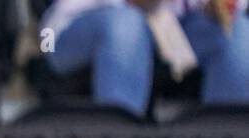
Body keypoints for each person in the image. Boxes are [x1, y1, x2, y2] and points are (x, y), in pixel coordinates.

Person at [41, 0, 249, 117]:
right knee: (127, 27)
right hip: (74, 26)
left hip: (172, 30)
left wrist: (219, 6)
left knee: (238, 32)